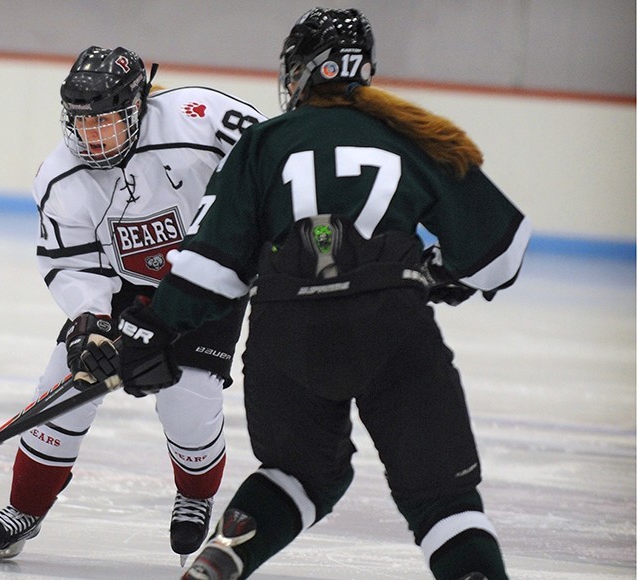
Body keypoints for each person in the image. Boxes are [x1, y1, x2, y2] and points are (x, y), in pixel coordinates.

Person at [103, 8, 530, 580]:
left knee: (296, 474)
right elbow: (499, 256)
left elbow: (214, 269)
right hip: (392, 324)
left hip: (286, 327)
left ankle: (221, 560)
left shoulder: (263, 142)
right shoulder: (415, 134)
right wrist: (439, 272)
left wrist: (158, 325)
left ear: (300, 74)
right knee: (443, 503)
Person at [0, 45, 266, 563]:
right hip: (125, 285)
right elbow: (72, 263)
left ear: (139, 105)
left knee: (187, 395)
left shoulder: (200, 117)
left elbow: (270, 156)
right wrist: (91, 323)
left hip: (206, 278)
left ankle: (195, 497)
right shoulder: (60, 176)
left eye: (106, 122)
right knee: (64, 381)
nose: (93, 137)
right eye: (83, 123)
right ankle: (26, 508)